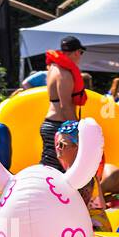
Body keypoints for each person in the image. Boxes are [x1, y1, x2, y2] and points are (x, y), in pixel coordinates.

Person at [41, 36, 87, 171]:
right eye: (81, 53)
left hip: (51, 124)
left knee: (49, 168)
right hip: (58, 126)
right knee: (57, 170)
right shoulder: (64, 74)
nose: (80, 56)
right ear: (77, 52)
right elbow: (65, 106)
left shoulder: (53, 68)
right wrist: (77, 130)